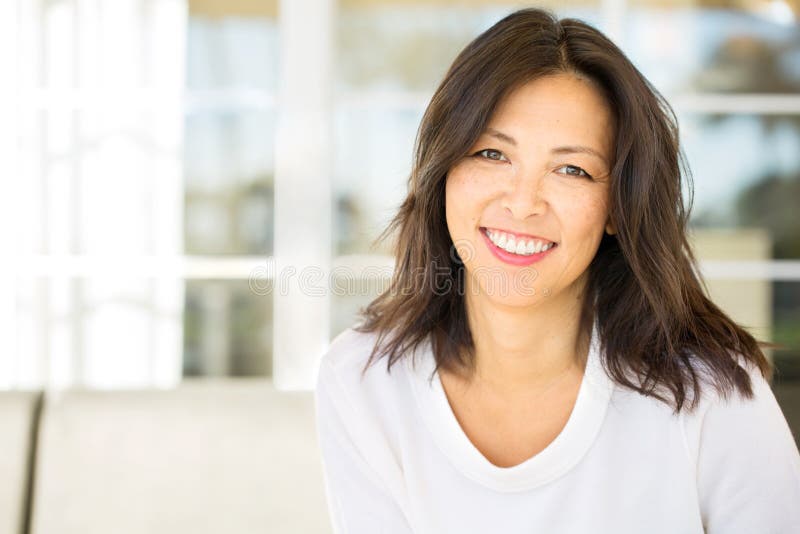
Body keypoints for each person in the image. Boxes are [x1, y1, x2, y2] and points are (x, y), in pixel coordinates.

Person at [313, 7, 800, 533]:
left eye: (572, 169)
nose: (523, 203)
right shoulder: (362, 381)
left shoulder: (710, 394)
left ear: (617, 207)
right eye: (492, 153)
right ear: (444, 171)